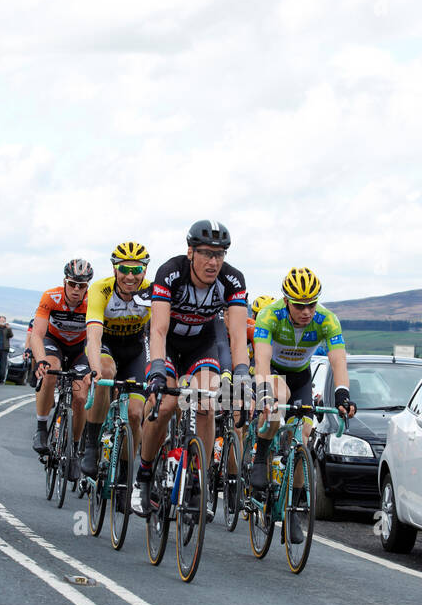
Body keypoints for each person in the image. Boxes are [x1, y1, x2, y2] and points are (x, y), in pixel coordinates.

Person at [136, 220, 251, 514]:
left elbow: (238, 337)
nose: (213, 262)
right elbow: (159, 329)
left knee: (206, 402)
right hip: (168, 343)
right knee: (165, 405)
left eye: (220, 254)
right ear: (190, 252)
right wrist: (158, 370)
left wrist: (241, 376)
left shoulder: (233, 280)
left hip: (202, 343)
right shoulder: (170, 272)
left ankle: (199, 480)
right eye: (206, 254)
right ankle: (144, 475)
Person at [248, 268, 357, 543]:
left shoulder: (327, 320)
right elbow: (261, 358)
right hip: (271, 372)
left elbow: (338, 360)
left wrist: (343, 395)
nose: (307, 311)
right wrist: (262, 391)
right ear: (286, 301)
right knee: (278, 397)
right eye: (299, 305)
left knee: (304, 436)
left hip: (301, 377)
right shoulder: (269, 315)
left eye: (312, 303)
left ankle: (293, 509)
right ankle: (261, 454)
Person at [78, 241, 152, 479]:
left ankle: (123, 474)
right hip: (106, 344)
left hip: (135, 350)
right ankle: (91, 445)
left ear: (145, 271)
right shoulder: (100, 289)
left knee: (135, 412)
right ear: (114, 270)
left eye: (136, 270)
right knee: (106, 372)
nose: (130, 276)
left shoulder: (152, 292)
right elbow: (94, 333)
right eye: (124, 269)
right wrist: (94, 368)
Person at [29, 259, 93, 466]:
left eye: (81, 285)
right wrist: (40, 361)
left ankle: (73, 448)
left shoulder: (92, 301)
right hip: (53, 342)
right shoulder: (51, 297)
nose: (76, 289)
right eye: (72, 283)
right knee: (50, 371)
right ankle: (41, 428)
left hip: (79, 348)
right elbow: (37, 334)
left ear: (87, 287)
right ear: (64, 282)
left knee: (81, 396)